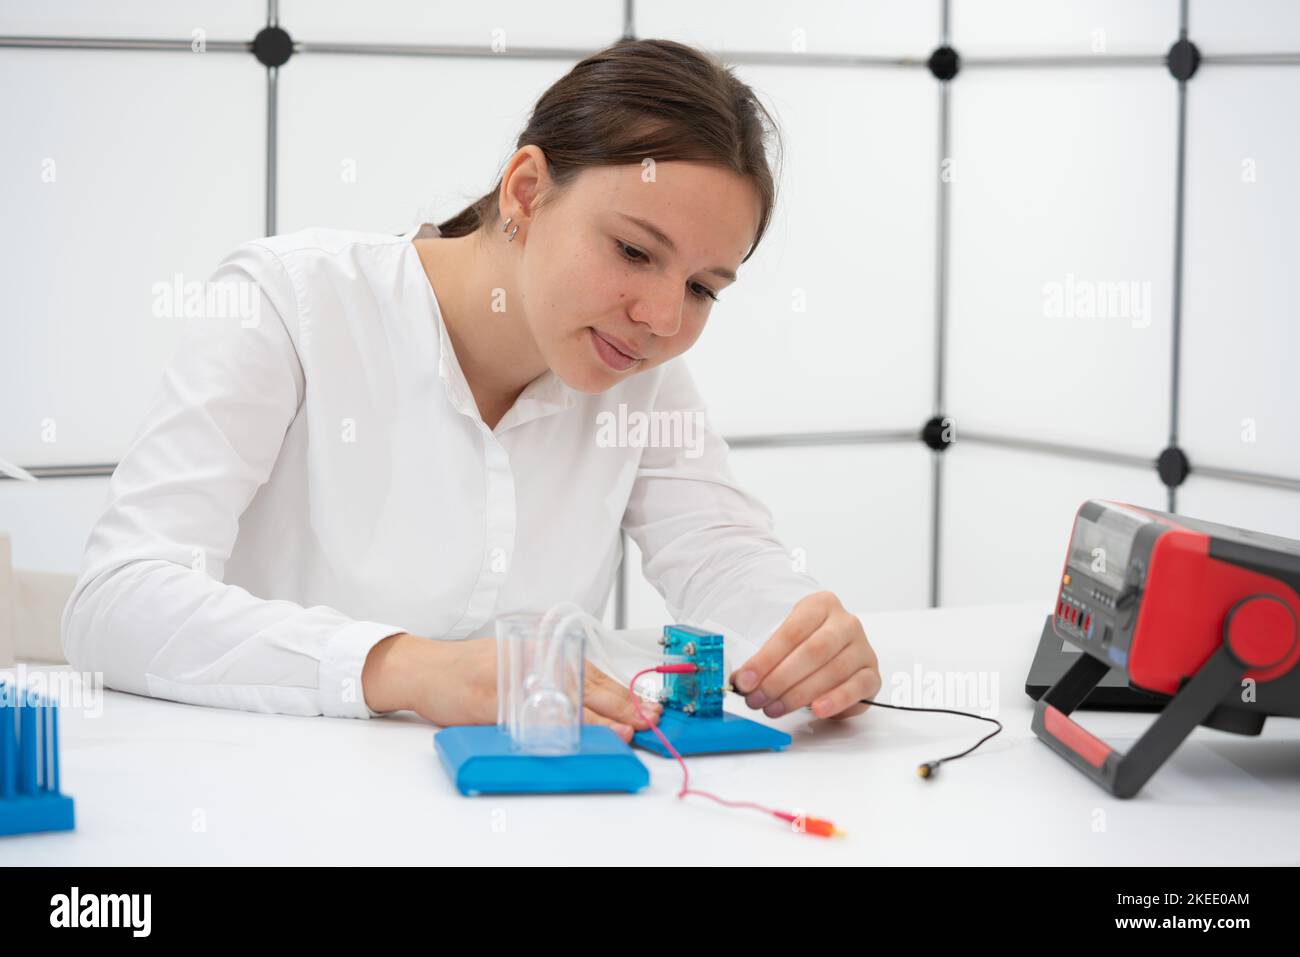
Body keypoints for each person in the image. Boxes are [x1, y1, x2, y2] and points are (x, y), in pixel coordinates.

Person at [61, 38, 881, 741]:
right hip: (266, 803)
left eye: (704, 287)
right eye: (634, 251)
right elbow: (115, 599)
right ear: (526, 190)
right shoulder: (289, 303)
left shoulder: (640, 371)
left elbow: (724, 556)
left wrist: (802, 633)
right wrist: (409, 668)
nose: (662, 316)